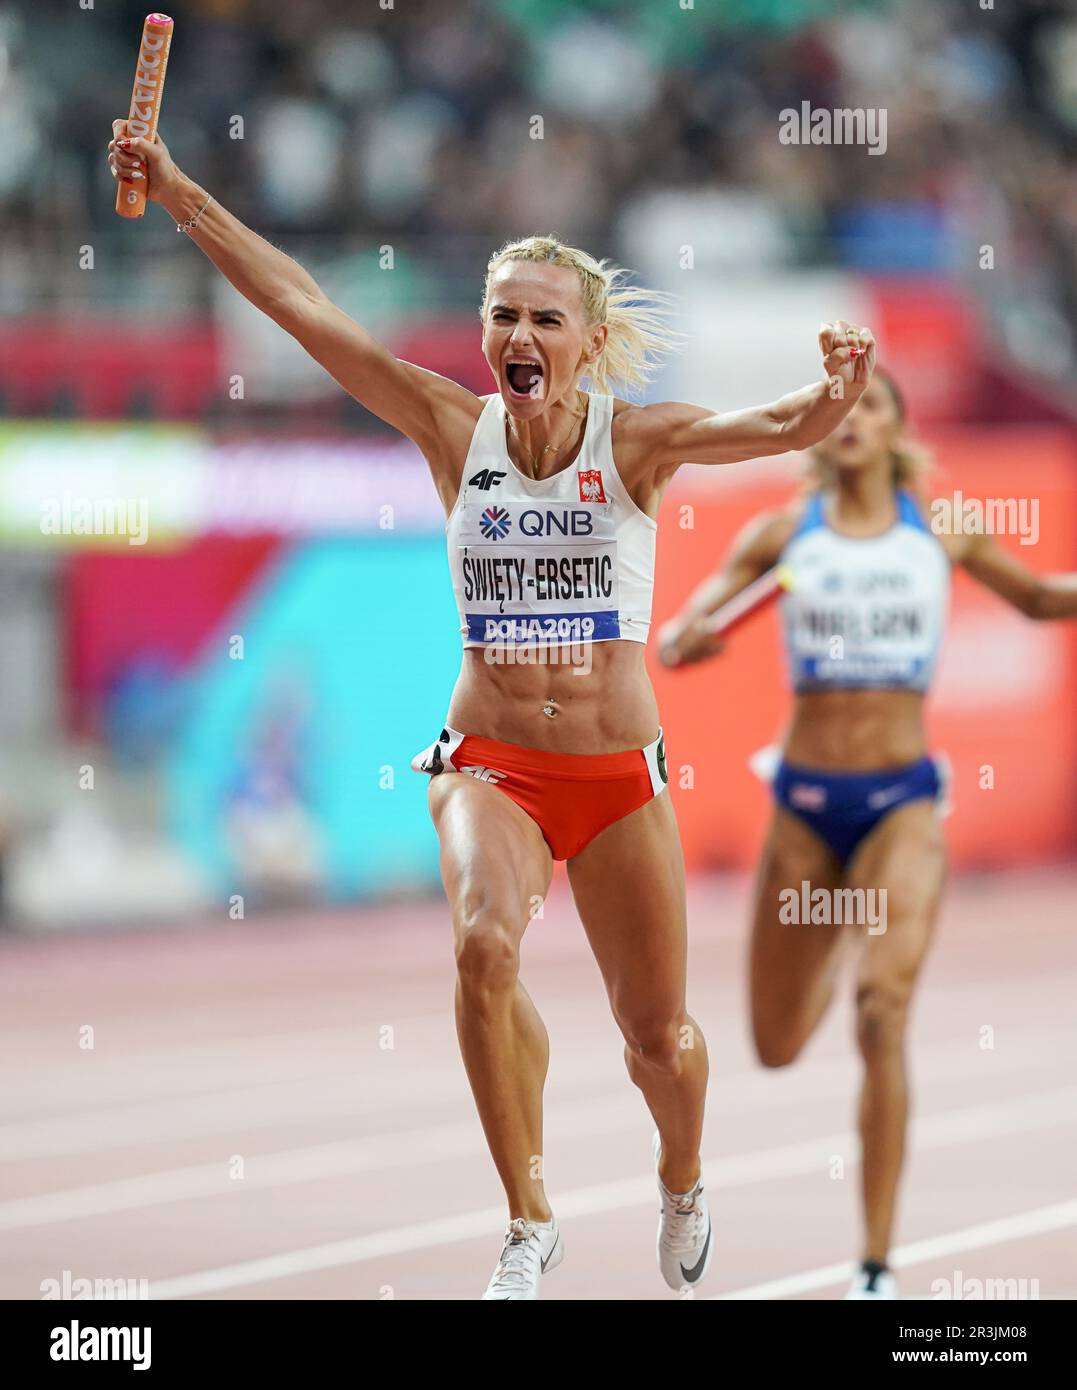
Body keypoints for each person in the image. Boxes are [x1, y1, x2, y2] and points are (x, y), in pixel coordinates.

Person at [107, 121, 876, 1299]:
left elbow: (780, 429)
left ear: (589, 342)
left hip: (617, 775)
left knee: (657, 1041)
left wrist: (834, 392)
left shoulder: (640, 444)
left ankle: (682, 1175)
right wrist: (180, 196)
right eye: (501, 314)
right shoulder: (451, 427)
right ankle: (529, 1215)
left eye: (544, 318)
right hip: (491, 762)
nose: (518, 334)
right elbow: (305, 308)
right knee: (480, 948)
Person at [658, 369, 1077, 1299]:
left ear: (896, 428)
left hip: (902, 803)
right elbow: (686, 630)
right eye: (836, 411)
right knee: (770, 1045)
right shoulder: (782, 534)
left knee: (880, 1014)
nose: (850, 423)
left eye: (871, 407)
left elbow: (1044, 600)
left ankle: (876, 1267)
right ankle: (845, 922)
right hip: (806, 806)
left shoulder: (941, 527)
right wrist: (686, 638)